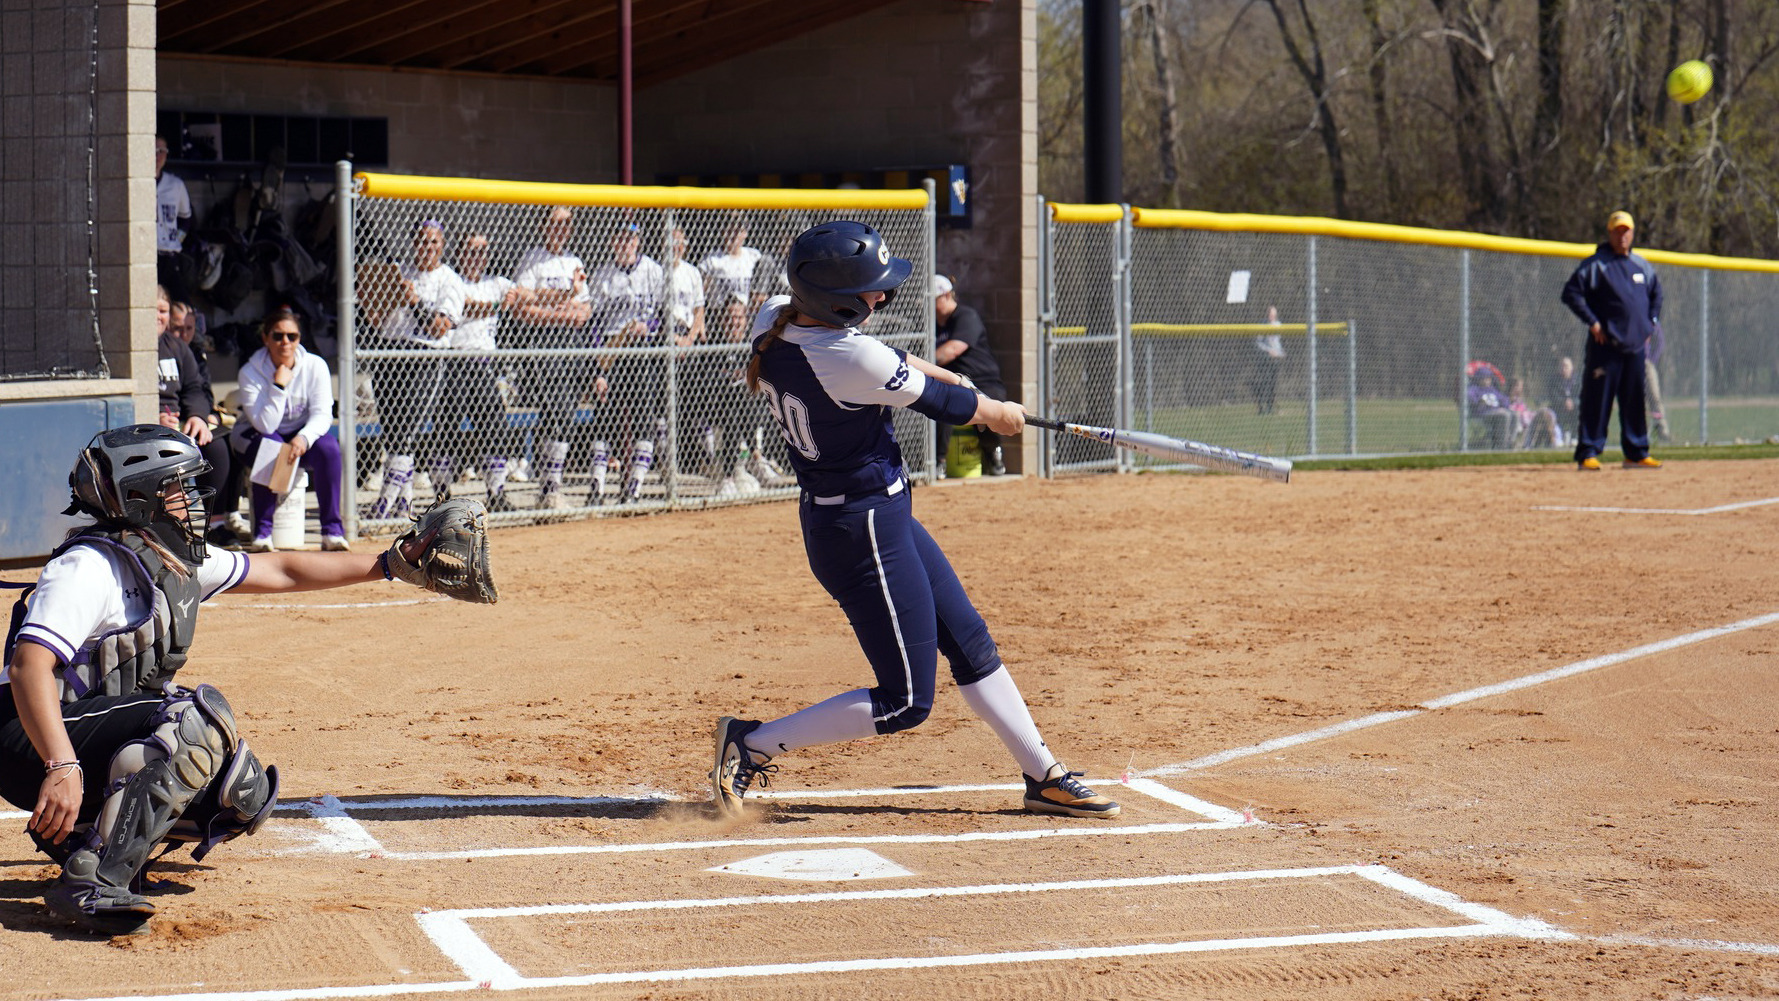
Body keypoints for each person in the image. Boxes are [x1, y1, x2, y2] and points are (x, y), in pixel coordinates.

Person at [709, 220, 1120, 821]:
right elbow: (949, 407)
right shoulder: (847, 354)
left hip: (877, 519)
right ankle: (748, 743)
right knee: (905, 702)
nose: (881, 296)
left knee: (971, 642)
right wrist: (999, 411)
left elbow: (895, 364)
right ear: (838, 299)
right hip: (860, 530)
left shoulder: (780, 316)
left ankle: (1043, 775)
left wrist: (948, 374)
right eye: (871, 289)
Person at [0, 424, 451, 935]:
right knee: (192, 721)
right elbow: (28, 666)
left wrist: (390, 564)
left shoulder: (169, 558)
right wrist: (61, 765)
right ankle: (92, 878)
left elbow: (282, 570)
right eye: (178, 487)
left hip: (76, 737)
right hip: (26, 738)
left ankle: (89, 840)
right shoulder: (89, 567)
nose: (193, 498)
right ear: (140, 498)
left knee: (239, 792)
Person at [366, 220, 463, 518]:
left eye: (434, 242)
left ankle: (384, 503)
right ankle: (402, 505)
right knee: (392, 432)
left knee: (406, 432)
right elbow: (376, 320)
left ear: (442, 245)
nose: (427, 248)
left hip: (426, 356)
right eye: (422, 241)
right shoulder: (399, 271)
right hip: (390, 351)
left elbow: (438, 329)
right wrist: (374, 297)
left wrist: (415, 302)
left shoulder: (450, 279)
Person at [230, 307, 349, 551]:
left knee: (329, 448)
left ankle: (332, 532)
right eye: (277, 336)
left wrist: (303, 438)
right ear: (265, 338)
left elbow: (323, 413)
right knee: (272, 444)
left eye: (291, 336)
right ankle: (262, 533)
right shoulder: (250, 372)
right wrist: (278, 385)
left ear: (299, 339)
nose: (285, 342)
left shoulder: (315, 366)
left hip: (298, 436)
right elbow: (265, 424)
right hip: (252, 437)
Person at [1560, 210, 1663, 470]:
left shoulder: (1641, 266)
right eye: (1617, 231)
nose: (1622, 235)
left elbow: (1656, 294)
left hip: (1635, 347)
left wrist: (1650, 322)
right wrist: (1593, 322)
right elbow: (1571, 292)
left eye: (1626, 230)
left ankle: (1636, 452)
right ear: (1610, 233)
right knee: (1598, 400)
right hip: (1606, 346)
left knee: (1634, 402)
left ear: (1632, 233)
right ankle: (1589, 452)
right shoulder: (1597, 264)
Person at [508, 206, 593, 510]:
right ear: (544, 225)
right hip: (542, 342)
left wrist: (547, 307)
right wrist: (559, 310)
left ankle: (550, 487)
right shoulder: (533, 259)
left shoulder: (575, 261)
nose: (562, 228)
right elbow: (520, 306)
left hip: (571, 343)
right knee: (554, 410)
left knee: (566, 413)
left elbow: (585, 312)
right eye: (556, 222)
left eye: (567, 223)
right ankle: (549, 488)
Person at [439, 231, 522, 511]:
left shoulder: (495, 282)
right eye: (472, 251)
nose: (477, 257)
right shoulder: (452, 280)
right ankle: (441, 494)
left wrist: (514, 295)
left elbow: (521, 294)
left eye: (482, 251)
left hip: (484, 365)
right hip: (455, 362)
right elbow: (466, 307)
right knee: (446, 428)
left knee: (495, 426)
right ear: (461, 253)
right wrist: (499, 305)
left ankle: (496, 492)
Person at [584, 223, 666, 505]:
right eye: (620, 237)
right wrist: (598, 369)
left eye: (631, 237)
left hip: (641, 349)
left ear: (638, 241)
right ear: (611, 241)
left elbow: (662, 314)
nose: (626, 243)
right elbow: (593, 325)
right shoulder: (603, 275)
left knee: (643, 415)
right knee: (604, 419)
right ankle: (598, 485)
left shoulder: (653, 271)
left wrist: (648, 326)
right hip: (611, 350)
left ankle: (635, 486)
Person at [155, 288, 235, 549]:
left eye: (163, 310)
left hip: (181, 421)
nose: (159, 316)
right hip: (150, 426)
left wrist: (198, 417)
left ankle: (217, 526)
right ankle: (169, 531)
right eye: (153, 309)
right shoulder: (133, 347)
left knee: (217, 445)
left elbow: (194, 388)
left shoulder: (176, 347)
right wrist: (152, 418)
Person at [933, 273, 1010, 476]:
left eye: (934, 300)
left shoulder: (966, 316)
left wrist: (922, 365)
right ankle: (938, 462)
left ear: (948, 296)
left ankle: (992, 452)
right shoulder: (930, 323)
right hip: (953, 382)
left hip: (983, 380)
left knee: (991, 407)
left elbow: (952, 350)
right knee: (942, 403)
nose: (929, 305)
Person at [154, 136, 192, 302]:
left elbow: (186, 219)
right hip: (148, 256)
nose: (157, 155)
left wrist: (177, 239)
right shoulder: (134, 183)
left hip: (170, 255)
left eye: (162, 151)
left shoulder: (176, 185)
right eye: (154, 150)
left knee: (182, 305)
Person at [700, 211, 762, 312]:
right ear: (722, 232)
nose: (734, 234)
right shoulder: (712, 260)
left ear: (745, 233)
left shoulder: (753, 256)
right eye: (730, 229)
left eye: (738, 230)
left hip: (746, 313)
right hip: (718, 312)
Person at [1465, 360, 1516, 450]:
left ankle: (1510, 441)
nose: (1487, 380)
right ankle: (1502, 446)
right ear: (1478, 379)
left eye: (1489, 378)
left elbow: (1504, 401)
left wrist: (1505, 403)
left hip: (1497, 413)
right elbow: (1470, 398)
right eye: (1484, 378)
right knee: (1504, 414)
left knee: (1515, 415)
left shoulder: (1493, 390)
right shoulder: (1474, 389)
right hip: (1483, 414)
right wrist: (1479, 401)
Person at [1250, 305, 1286, 415]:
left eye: (1274, 314)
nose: (1272, 316)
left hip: (1275, 359)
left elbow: (1278, 343)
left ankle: (1270, 407)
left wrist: (1280, 353)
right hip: (1265, 359)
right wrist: (1268, 351)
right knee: (1264, 382)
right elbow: (1259, 342)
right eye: (1270, 314)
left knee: (1273, 384)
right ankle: (1262, 407)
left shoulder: (1278, 325)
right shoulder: (1262, 325)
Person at [1645, 319, 1672, 443]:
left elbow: (1660, 341)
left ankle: (1663, 431)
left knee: (1655, 397)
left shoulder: (1650, 317)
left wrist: (1651, 360)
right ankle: (1641, 434)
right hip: (1630, 363)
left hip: (1646, 364)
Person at [1544, 354, 1578, 447]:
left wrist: (1573, 402)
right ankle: (1560, 438)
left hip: (1574, 407)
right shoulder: (1554, 380)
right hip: (1559, 406)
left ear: (1571, 368)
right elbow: (1552, 396)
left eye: (1566, 366)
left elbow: (1582, 395)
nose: (1564, 368)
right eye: (1562, 366)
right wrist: (1564, 402)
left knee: (1580, 410)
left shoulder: (1577, 380)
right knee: (1556, 412)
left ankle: (1574, 437)